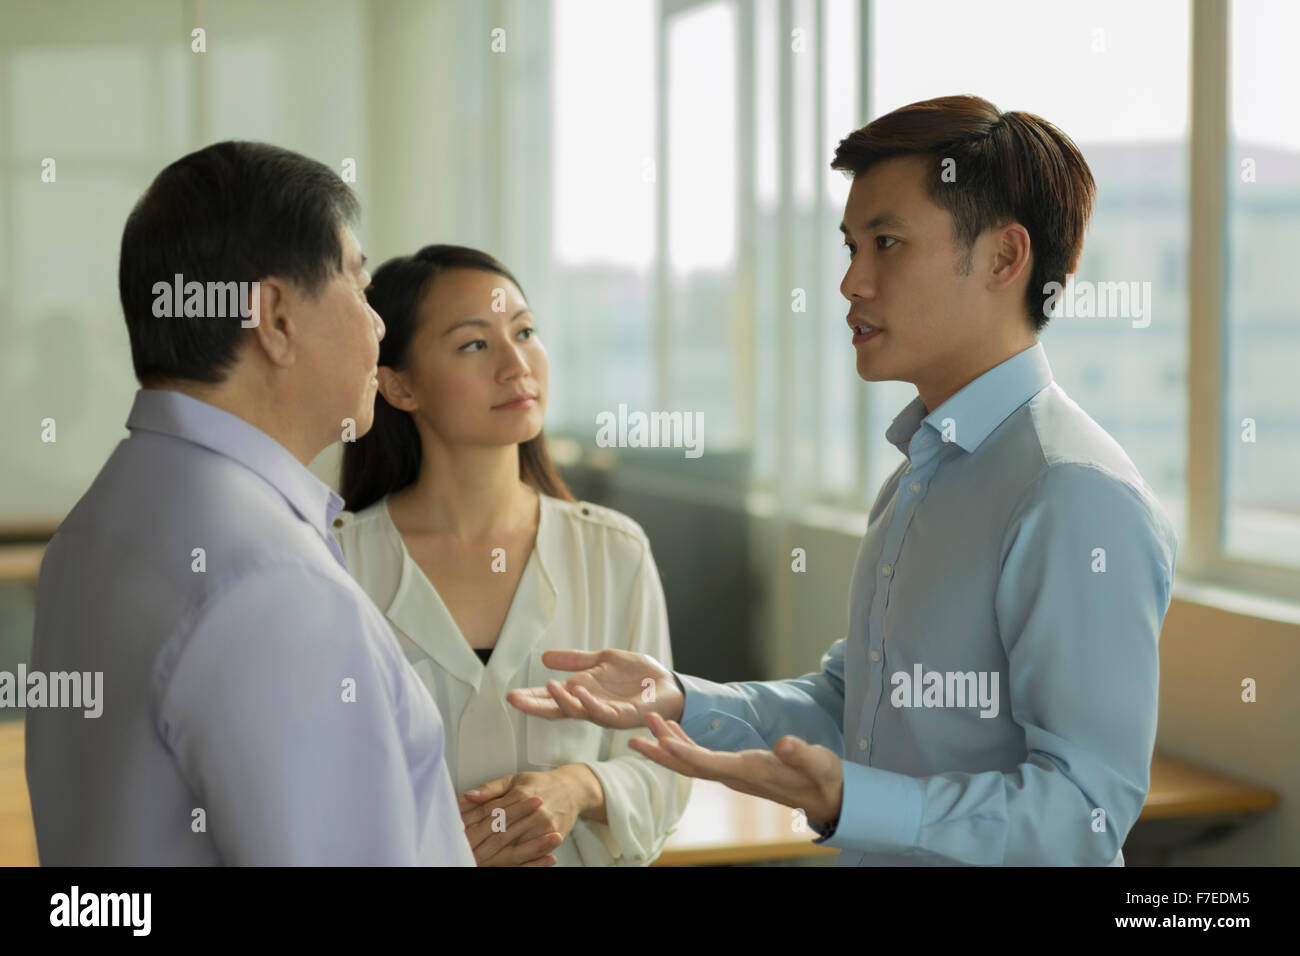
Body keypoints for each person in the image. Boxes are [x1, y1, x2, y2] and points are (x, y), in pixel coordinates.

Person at [509, 95, 1179, 867]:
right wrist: (683, 698)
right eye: (850, 247)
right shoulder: (921, 475)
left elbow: (1083, 812)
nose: (852, 282)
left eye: (887, 243)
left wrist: (850, 800)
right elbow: (852, 705)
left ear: (1003, 258)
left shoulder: (1072, 492)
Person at [26, 141, 474, 865]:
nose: (378, 324)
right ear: (275, 318)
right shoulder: (272, 583)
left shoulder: (102, 520)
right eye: (359, 290)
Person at [332, 245, 691, 867]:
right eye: (474, 344)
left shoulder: (613, 553)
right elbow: (310, 787)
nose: (516, 363)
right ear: (398, 384)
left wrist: (579, 788)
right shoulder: (335, 563)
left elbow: (664, 763)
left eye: (524, 331)